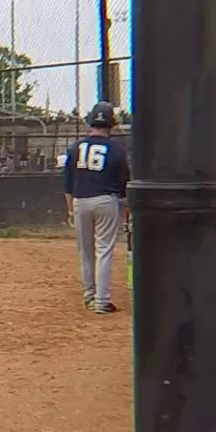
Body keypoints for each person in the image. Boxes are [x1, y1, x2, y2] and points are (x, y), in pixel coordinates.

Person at [64, 101, 130, 314]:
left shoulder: (75, 147)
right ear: (110, 124)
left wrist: (70, 210)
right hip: (105, 200)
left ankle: (89, 296)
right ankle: (102, 301)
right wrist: (125, 210)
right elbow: (123, 187)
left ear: (91, 121)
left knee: (85, 251)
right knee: (104, 250)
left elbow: (67, 184)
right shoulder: (117, 150)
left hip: (80, 201)